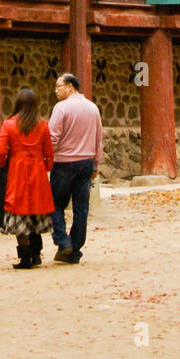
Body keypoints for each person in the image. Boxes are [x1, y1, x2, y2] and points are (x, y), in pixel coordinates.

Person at [0, 88, 55, 269]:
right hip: (37, 172)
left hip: (17, 172)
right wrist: (45, 169)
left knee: (19, 212)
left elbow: (0, 151)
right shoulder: (43, 125)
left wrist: (3, 164)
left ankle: (25, 257)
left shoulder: (9, 124)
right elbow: (49, 154)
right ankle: (36, 254)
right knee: (35, 211)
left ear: (17, 103)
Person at [48, 72, 104, 265]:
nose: (56, 90)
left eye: (58, 86)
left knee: (55, 203)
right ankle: (74, 248)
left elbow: (52, 138)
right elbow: (98, 138)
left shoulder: (61, 108)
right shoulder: (93, 108)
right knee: (81, 208)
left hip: (63, 163)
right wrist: (97, 163)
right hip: (86, 163)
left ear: (70, 87)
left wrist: (48, 158)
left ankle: (63, 242)